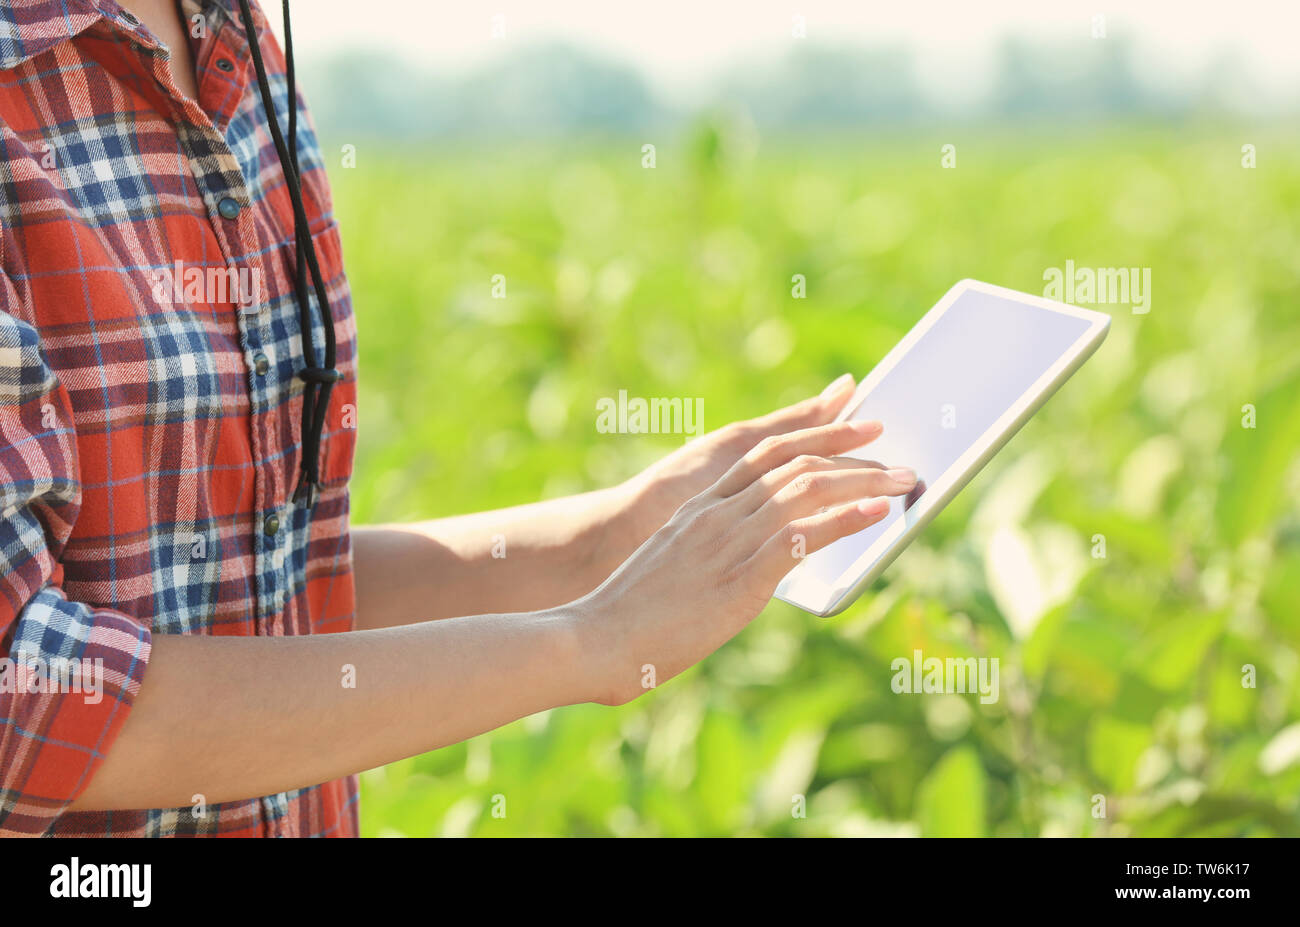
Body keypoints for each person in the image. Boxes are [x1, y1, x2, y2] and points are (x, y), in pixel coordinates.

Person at [0, 0, 917, 837]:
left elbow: (270, 585)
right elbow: (23, 699)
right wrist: (594, 640)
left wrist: (614, 536)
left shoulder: (239, 53)